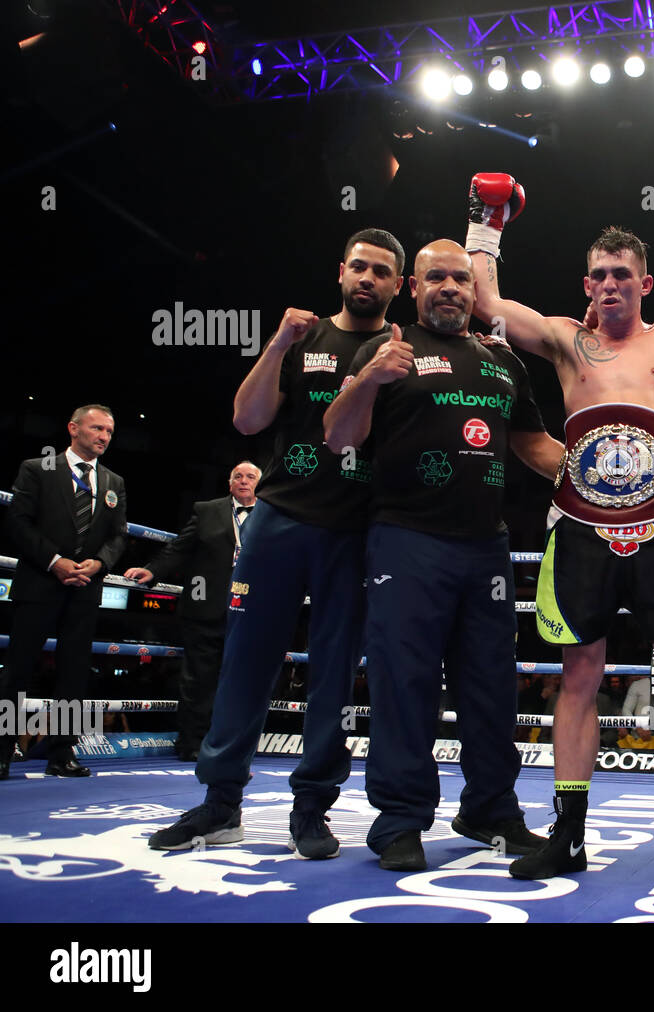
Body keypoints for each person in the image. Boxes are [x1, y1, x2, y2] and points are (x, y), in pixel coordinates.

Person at [466, 167, 654, 883]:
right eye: (599, 275)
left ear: (645, 284)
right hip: (579, 528)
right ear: (587, 286)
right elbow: (486, 302)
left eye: (622, 275)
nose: (610, 285)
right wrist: (486, 219)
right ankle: (567, 835)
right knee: (579, 675)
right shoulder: (568, 342)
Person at [148, 228, 403, 859]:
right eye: (359, 267)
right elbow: (247, 420)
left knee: (333, 673)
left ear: (400, 285)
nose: (368, 279)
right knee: (246, 660)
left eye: (381, 272)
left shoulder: (405, 349)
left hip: (354, 527)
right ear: (340, 271)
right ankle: (219, 802)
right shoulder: (305, 336)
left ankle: (311, 807)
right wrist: (277, 342)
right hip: (280, 516)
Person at [323, 239, 565, 871]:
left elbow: (534, 444)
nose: (451, 287)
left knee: (490, 688)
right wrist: (369, 378)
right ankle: (400, 819)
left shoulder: (503, 360)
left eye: (461, 278)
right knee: (406, 683)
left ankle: (491, 810)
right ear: (415, 287)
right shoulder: (388, 351)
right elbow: (339, 437)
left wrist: (601, 475)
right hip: (406, 540)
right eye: (437, 278)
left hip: (485, 546)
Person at [1, 405, 127, 778]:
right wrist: (55, 561)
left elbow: (119, 535)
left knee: (73, 674)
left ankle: (61, 752)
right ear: (73, 428)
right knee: (19, 669)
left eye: (109, 431)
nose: (104, 436)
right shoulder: (38, 469)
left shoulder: (113, 482)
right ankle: (3, 749)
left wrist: (100, 564)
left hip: (85, 589)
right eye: (97, 428)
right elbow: (18, 523)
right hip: (40, 582)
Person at [124, 462, 262, 759]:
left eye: (250, 477)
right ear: (229, 482)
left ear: (258, 484)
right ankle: (191, 744)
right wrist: (152, 570)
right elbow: (179, 548)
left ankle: (233, 745)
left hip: (251, 612)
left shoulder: (271, 515)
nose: (243, 480)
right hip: (206, 610)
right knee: (199, 681)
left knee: (242, 682)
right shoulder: (207, 510)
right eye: (237, 475)